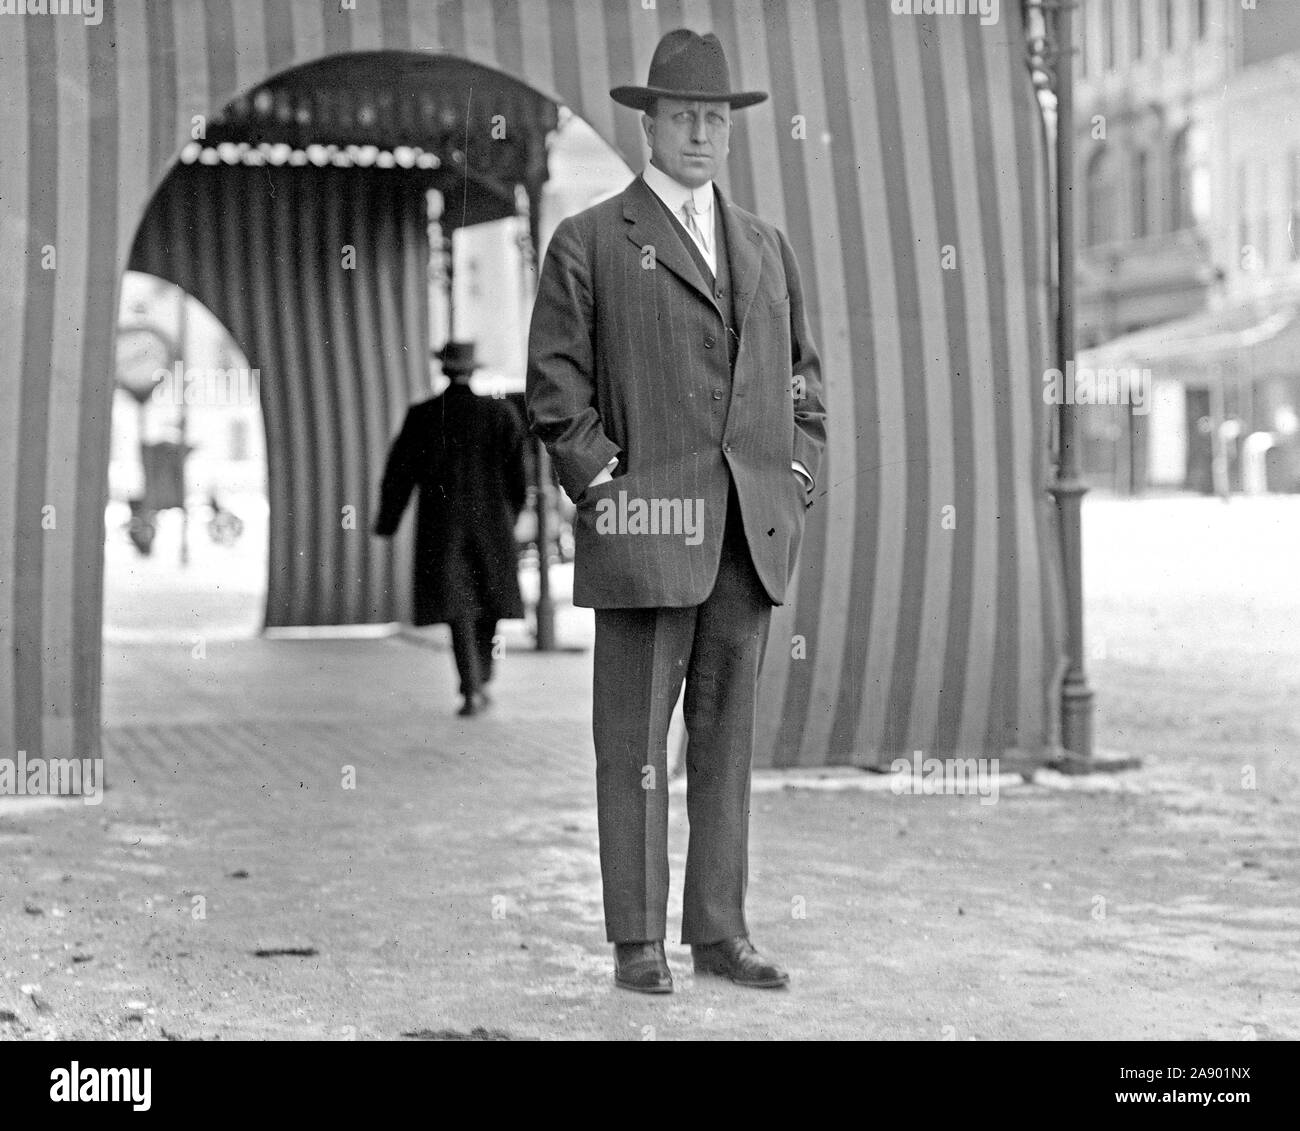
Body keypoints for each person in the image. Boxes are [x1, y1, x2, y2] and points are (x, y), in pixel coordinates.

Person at [526, 29, 826, 993]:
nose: (701, 132)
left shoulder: (766, 247)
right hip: (646, 535)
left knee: (726, 741)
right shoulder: (588, 240)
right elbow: (554, 389)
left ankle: (719, 931)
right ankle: (636, 940)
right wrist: (605, 487)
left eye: (715, 117)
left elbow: (803, 384)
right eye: (683, 115)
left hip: (749, 531)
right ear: (647, 125)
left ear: (729, 131)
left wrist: (797, 474)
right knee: (634, 744)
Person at [375, 341, 528, 717]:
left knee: (458, 605)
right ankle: (483, 677)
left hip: (442, 528)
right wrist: (512, 514)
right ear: (473, 370)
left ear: (444, 370)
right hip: (492, 526)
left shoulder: (424, 415)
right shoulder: (500, 414)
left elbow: (399, 473)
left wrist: (388, 521)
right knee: (488, 602)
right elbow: (518, 479)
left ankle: (471, 686)